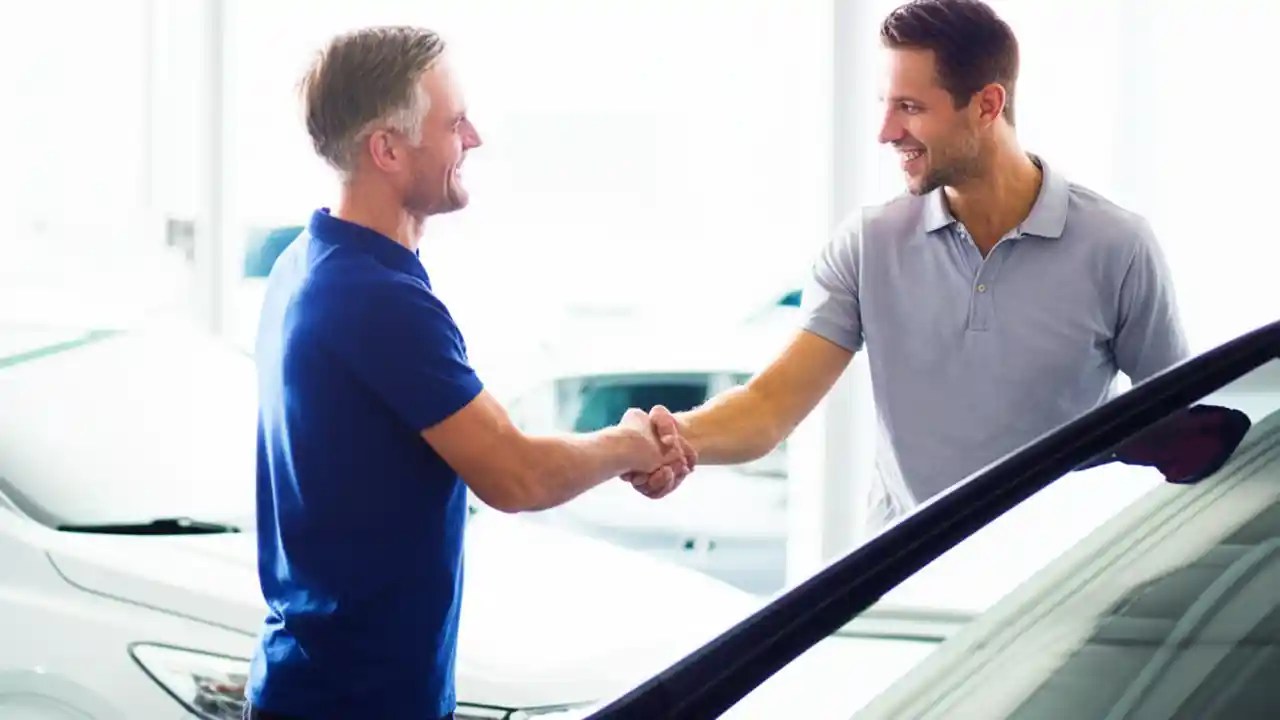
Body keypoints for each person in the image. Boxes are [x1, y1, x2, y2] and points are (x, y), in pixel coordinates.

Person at [245, 27, 693, 720]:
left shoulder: (307, 262)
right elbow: (517, 474)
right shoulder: (375, 297)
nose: (475, 138)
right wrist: (634, 444)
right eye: (454, 123)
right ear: (387, 149)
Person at [628, 0, 1190, 534]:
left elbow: (1182, 429)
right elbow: (768, 408)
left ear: (987, 106)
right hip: (905, 588)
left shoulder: (1119, 247)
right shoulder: (868, 246)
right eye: (886, 104)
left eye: (911, 108)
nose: (886, 131)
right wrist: (675, 437)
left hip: (1047, 598)